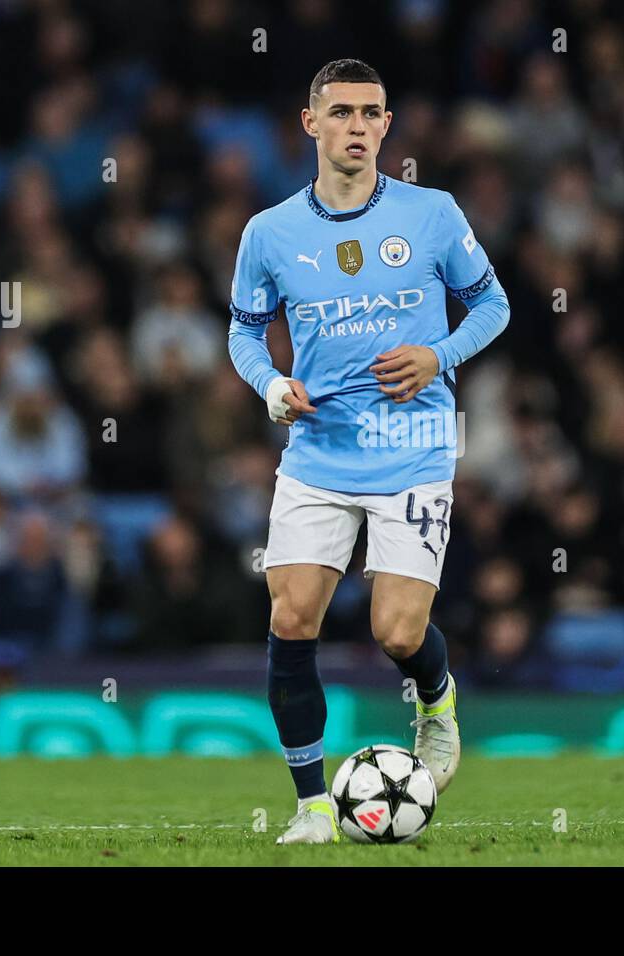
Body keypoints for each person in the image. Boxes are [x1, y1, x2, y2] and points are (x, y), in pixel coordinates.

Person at [227, 58, 509, 843]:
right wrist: (273, 386)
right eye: (342, 111)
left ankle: (437, 698)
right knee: (291, 615)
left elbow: (493, 303)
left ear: (388, 126)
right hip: (319, 451)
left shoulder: (432, 213)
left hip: (414, 443)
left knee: (395, 632)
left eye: (372, 112)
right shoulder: (270, 232)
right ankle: (313, 807)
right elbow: (245, 333)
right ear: (310, 123)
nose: (358, 126)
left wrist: (439, 355)